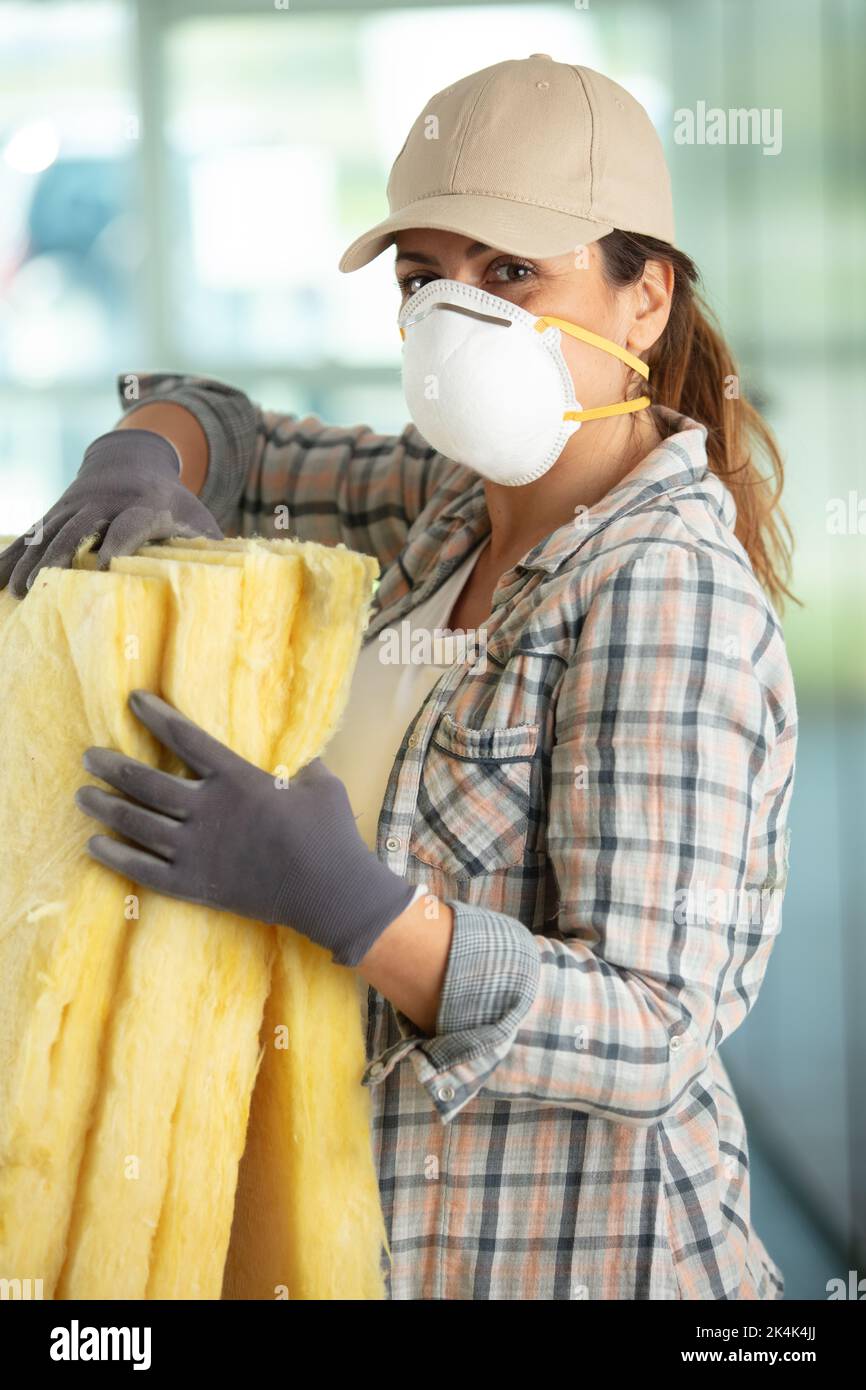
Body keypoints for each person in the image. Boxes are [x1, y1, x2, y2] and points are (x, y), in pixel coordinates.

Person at [0, 56, 797, 1301]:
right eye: (425, 278)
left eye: (511, 273)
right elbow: (236, 434)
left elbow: (652, 1028)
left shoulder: (663, 586)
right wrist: (138, 451)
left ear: (644, 298)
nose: (455, 316)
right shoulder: (447, 510)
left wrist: (362, 912)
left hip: (594, 1263)